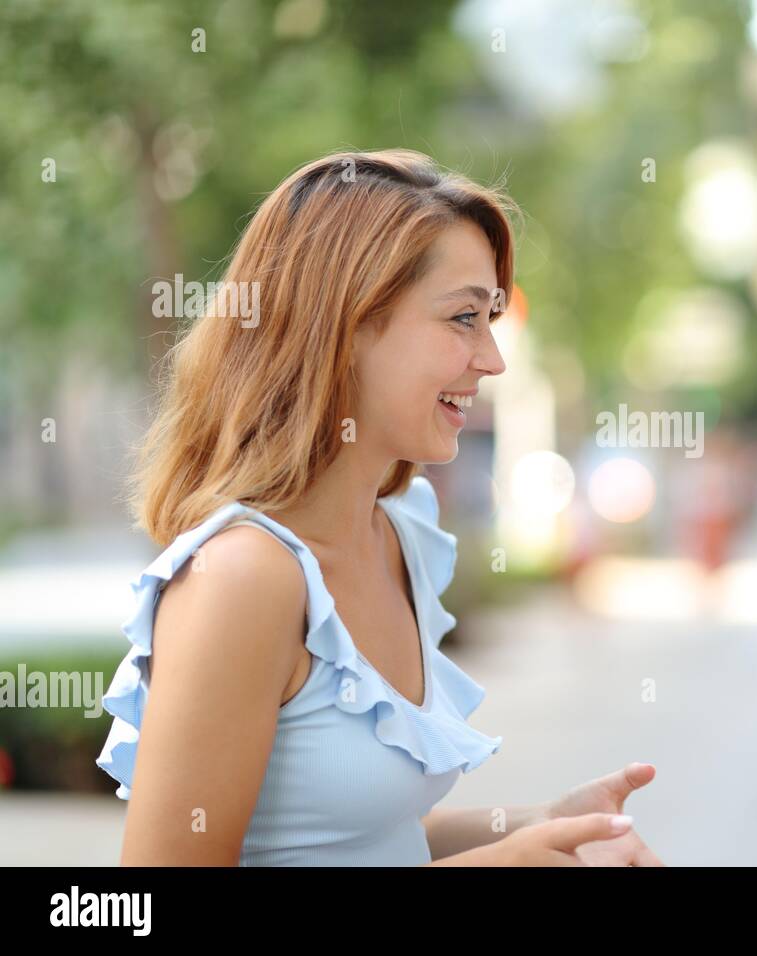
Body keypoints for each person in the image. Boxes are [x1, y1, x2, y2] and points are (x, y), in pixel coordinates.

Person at [96, 149, 662, 866]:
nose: (492, 359)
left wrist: (535, 825)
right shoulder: (241, 580)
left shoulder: (400, 533)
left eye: (489, 318)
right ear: (346, 324)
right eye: (463, 318)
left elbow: (360, 841)